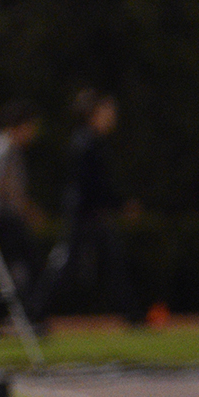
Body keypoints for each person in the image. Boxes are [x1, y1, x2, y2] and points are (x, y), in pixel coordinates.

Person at [41, 89, 147, 327]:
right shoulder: (86, 142)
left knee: (111, 262)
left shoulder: (91, 141)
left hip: (90, 212)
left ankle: (133, 315)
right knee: (69, 265)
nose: (112, 116)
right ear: (95, 113)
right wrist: (119, 205)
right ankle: (34, 313)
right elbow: (92, 185)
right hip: (85, 214)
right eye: (108, 111)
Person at [0, 100, 48, 326]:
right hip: (3, 217)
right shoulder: (4, 146)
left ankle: (0, 317)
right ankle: (29, 315)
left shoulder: (2, 145)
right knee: (28, 264)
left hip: (3, 217)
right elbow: (4, 185)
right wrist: (28, 210)